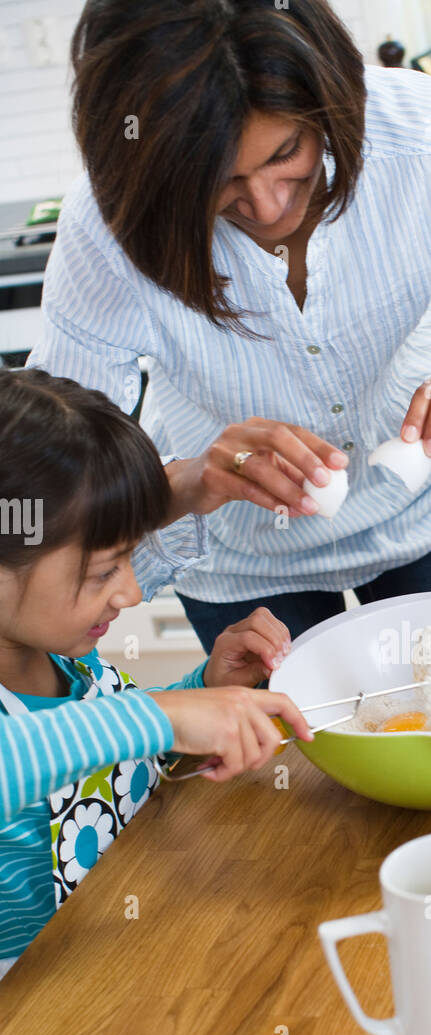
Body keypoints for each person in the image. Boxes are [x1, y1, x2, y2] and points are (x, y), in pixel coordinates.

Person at [27, 0, 431, 651]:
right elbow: (61, 468)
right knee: (292, 752)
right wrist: (197, 477)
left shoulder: (419, 136)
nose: (266, 205)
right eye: (218, 180)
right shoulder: (108, 224)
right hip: (244, 560)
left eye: (287, 152)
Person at [0, 370, 311, 979]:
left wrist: (203, 690)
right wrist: (160, 715)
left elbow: (112, 754)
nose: (133, 593)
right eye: (103, 573)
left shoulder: (65, 656)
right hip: (35, 1025)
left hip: (128, 956)